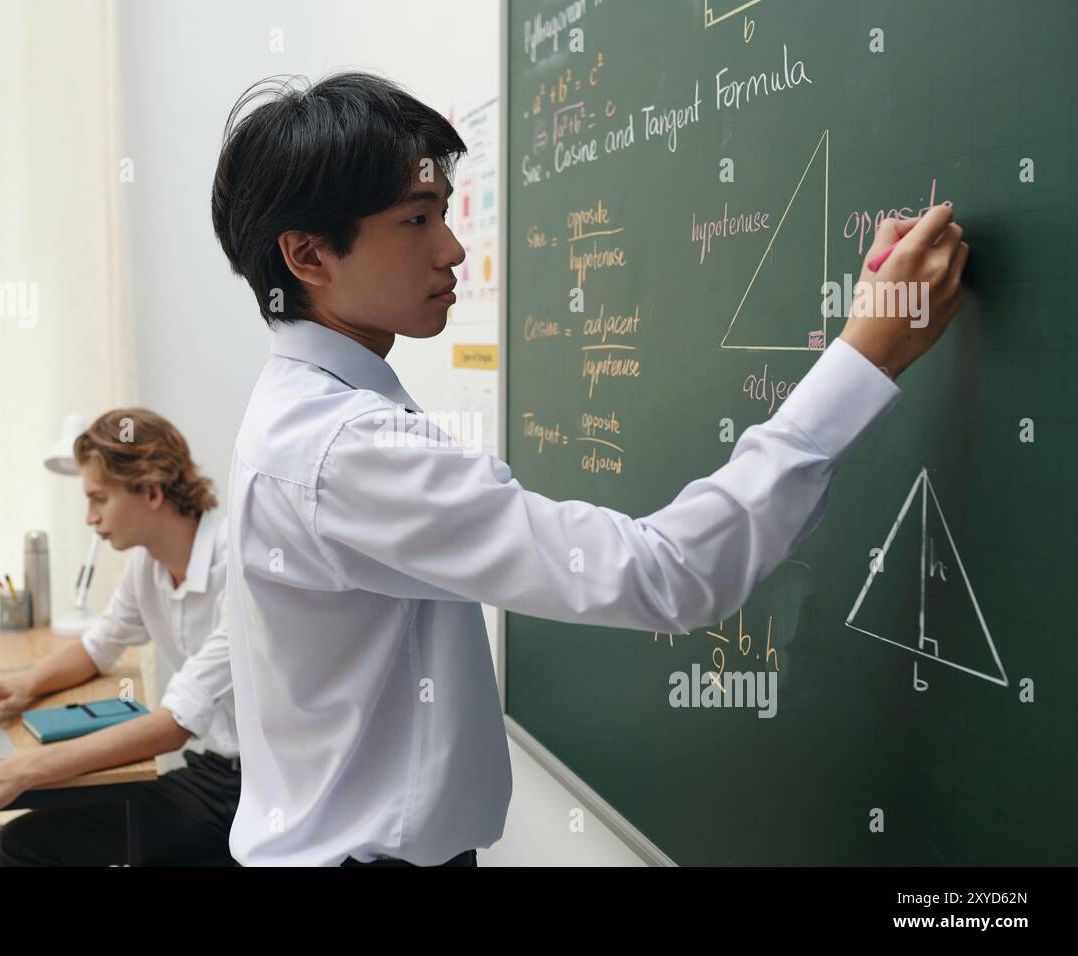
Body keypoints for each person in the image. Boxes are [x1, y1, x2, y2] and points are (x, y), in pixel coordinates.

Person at [204, 71, 967, 865]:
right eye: (417, 219)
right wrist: (864, 357)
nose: (453, 247)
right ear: (308, 255)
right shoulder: (346, 450)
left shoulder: (303, 411)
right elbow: (668, 573)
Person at [0, 408, 240, 866]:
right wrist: (23, 684)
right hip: (212, 772)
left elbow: (173, 726)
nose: (90, 518)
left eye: (99, 499)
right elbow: (98, 645)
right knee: (26, 841)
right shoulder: (147, 567)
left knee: (23, 846)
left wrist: (16, 772)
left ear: (151, 491)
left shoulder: (240, 569)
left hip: (264, 793)